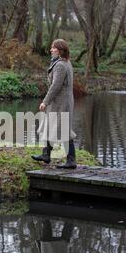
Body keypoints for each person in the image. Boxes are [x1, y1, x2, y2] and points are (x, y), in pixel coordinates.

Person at [32, 39, 77, 169]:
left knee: (64, 130)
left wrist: (45, 102)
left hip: (61, 103)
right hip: (60, 102)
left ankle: (71, 160)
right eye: (51, 47)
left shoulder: (60, 65)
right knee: (48, 125)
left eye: (53, 48)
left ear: (60, 50)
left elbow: (55, 87)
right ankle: (46, 155)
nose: (51, 50)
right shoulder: (65, 62)